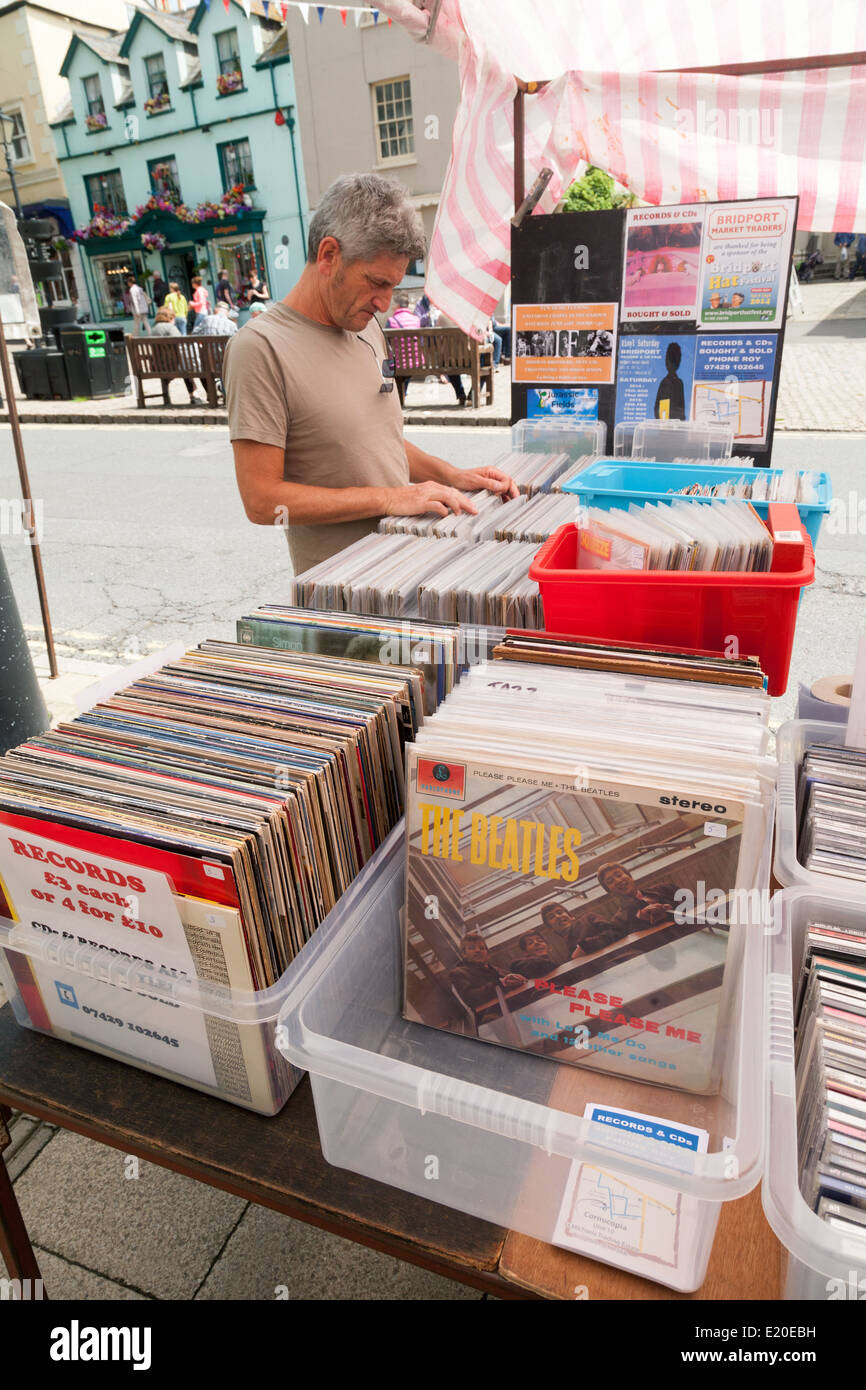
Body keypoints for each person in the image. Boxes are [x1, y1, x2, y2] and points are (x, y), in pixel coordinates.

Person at [224, 172, 517, 574]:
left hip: (406, 561)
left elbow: (376, 441)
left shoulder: (365, 326)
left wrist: (451, 475)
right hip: (344, 588)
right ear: (329, 255)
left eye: (393, 286)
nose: (384, 303)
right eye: (377, 282)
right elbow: (261, 501)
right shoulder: (260, 348)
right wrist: (389, 498)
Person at [447, 935, 526, 1019]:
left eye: (481, 948)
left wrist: (518, 978)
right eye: (472, 948)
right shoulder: (458, 973)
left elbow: (510, 981)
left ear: (487, 953)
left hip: (519, 1009)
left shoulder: (493, 968)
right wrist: (501, 984)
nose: (478, 950)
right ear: (464, 954)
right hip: (496, 1017)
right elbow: (470, 997)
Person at [150, 305, 205, 405]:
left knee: (184, 364)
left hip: (158, 366)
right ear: (170, 318)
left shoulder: (153, 330)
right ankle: (195, 395)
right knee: (191, 365)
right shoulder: (170, 328)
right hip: (173, 366)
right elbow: (181, 343)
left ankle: (167, 397)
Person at [654, 341, 686, 420]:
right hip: (666, 423)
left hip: (672, 425)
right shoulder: (666, 382)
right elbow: (658, 408)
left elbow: (681, 408)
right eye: (667, 359)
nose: (668, 363)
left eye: (670, 360)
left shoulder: (677, 383)